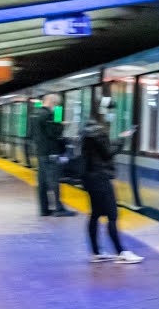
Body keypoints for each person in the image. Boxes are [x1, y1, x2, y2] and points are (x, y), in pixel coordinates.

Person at [81, 97, 142, 264]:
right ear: (103, 111)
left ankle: (96, 252)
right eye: (111, 111)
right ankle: (121, 252)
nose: (112, 115)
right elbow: (107, 153)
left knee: (95, 214)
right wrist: (122, 139)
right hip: (101, 177)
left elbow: (98, 152)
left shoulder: (88, 128)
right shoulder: (99, 131)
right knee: (112, 215)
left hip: (90, 178)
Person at [31, 94, 74, 217]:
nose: (56, 107)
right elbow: (54, 133)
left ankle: (44, 209)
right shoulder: (48, 115)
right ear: (51, 102)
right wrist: (61, 124)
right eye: (56, 105)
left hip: (40, 152)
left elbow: (32, 133)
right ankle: (59, 209)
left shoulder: (35, 114)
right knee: (53, 181)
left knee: (42, 182)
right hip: (51, 152)